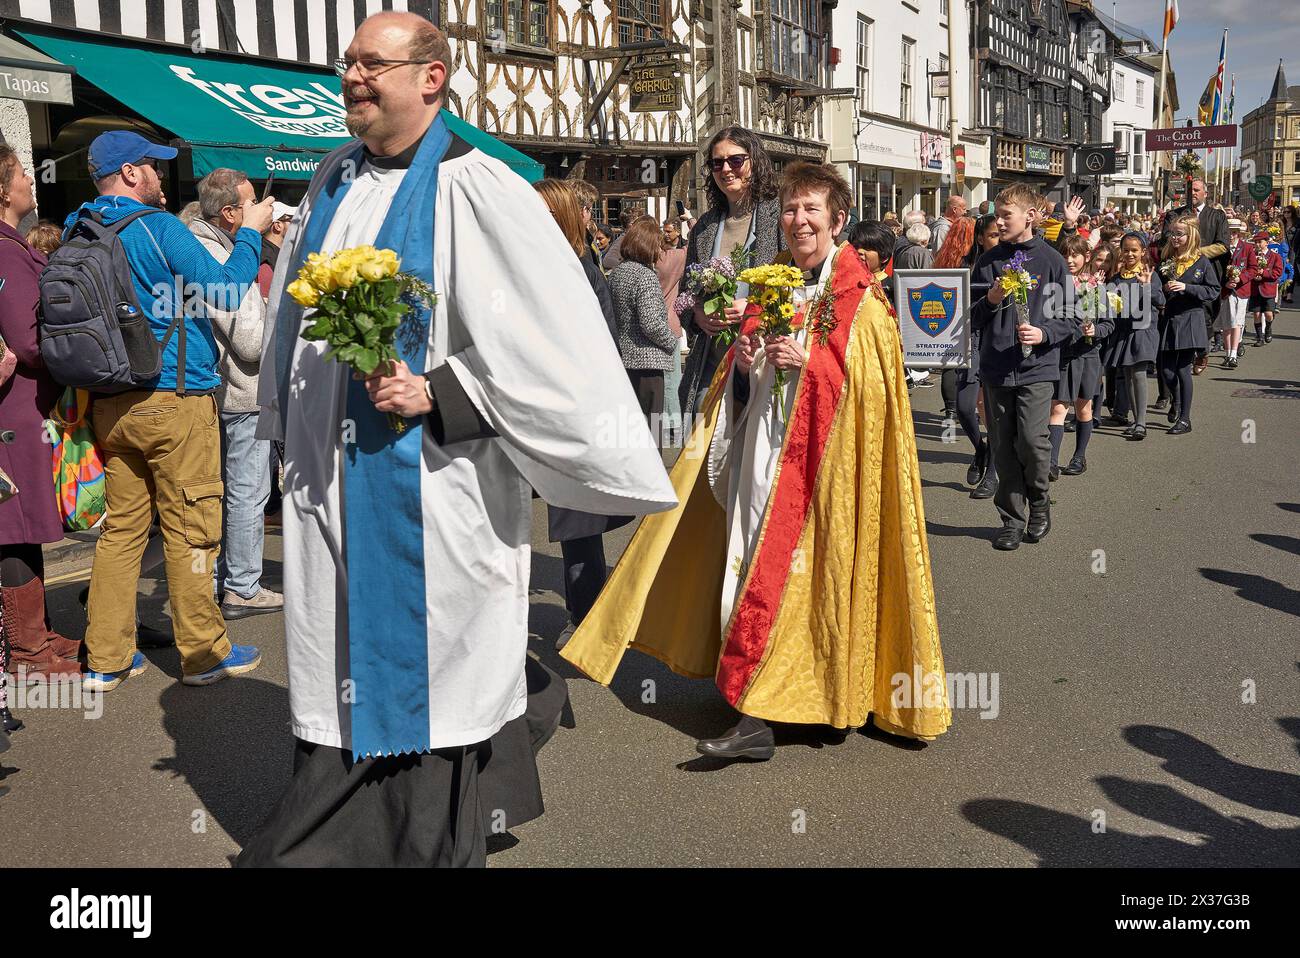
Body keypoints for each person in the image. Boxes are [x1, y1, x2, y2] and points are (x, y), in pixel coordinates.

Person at [239, 10, 674, 867]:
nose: (352, 78)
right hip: (333, 484)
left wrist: (437, 389)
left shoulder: (481, 192)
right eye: (347, 63)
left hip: (437, 486)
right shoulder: (329, 179)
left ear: (431, 78)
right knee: (337, 659)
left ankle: (424, 838)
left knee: (437, 665)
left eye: (372, 64)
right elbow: (290, 319)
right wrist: (285, 430)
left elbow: (553, 353)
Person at [561, 161, 950, 760]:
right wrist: (743, 362)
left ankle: (797, 702)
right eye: (791, 208)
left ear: (838, 220)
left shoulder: (862, 305)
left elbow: (872, 401)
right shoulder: (772, 287)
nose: (799, 221)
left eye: (812, 210)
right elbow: (738, 387)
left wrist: (810, 365)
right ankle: (754, 698)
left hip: (824, 473)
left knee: (810, 580)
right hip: (759, 455)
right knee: (747, 564)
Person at [68, 131, 275, 692]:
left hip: (109, 402)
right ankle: (204, 654)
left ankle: (106, 658)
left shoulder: (77, 227)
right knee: (192, 528)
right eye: (154, 168)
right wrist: (252, 233)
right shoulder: (158, 229)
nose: (163, 178)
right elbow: (229, 291)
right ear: (131, 173)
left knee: (123, 533)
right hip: (174, 398)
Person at [533, 178, 629, 651]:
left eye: (546, 214)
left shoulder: (581, 268)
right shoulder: (533, 263)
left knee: (579, 520)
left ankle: (585, 614)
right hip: (531, 408)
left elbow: (602, 342)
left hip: (573, 408)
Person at [0, 147, 80, 684]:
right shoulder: (5, 252)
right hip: (13, 406)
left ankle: (38, 634)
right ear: (4, 189)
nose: (32, 178)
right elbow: (27, 339)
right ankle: (28, 650)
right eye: (23, 173)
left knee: (21, 525)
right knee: (12, 525)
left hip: (21, 402)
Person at [189, 168, 283, 619]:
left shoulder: (207, 241)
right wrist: (276, 312)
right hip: (240, 395)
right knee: (247, 491)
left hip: (220, 394)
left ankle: (224, 578)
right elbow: (249, 341)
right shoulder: (215, 250)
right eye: (252, 203)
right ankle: (242, 587)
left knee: (228, 491)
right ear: (230, 213)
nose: (264, 209)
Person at [970, 184, 1072, 551]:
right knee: (1003, 447)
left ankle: (1040, 502)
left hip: (1037, 367)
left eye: (1005, 215)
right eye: (996, 215)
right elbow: (972, 317)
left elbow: (1070, 315)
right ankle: (1012, 519)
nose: (998, 222)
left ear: (1030, 216)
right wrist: (992, 299)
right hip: (997, 366)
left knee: (1031, 440)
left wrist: (1045, 332)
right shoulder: (988, 261)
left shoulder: (1052, 261)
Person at [679, 126, 784, 417]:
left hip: (763, 358)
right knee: (707, 450)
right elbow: (686, 292)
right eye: (717, 163)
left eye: (736, 160)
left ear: (755, 162)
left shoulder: (780, 216)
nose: (726, 169)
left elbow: (800, 282)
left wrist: (756, 307)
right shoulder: (704, 226)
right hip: (711, 361)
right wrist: (697, 315)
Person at [1049, 236, 1114, 478]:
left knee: (1083, 408)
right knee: (1058, 407)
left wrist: (1096, 330)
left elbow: (1109, 324)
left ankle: (1079, 457)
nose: (1069, 259)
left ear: (1086, 257)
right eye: (1065, 254)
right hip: (1063, 354)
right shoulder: (1054, 285)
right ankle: (1051, 462)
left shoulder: (1098, 288)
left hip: (1088, 354)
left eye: (1074, 255)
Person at [609, 217, 678, 428]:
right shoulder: (645, 275)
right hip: (648, 362)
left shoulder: (617, 273)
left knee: (632, 428)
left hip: (625, 358)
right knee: (651, 428)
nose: (661, 250)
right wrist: (671, 342)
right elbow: (651, 323)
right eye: (658, 244)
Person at [935, 216, 988, 485]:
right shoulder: (966, 265)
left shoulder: (1013, 264)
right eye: (991, 235)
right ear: (980, 238)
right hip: (969, 341)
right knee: (966, 408)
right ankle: (982, 450)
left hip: (1000, 345)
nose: (997, 240)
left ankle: (993, 472)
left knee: (992, 411)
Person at [1156, 216, 1220, 436]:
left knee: (1183, 369)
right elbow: (1156, 285)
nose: (1174, 238)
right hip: (1169, 319)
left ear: (1190, 235)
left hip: (1190, 319)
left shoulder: (1201, 261)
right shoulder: (1166, 259)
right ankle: (1176, 400)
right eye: (1172, 233)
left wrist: (1186, 287)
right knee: (1165, 371)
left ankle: (1185, 418)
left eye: (1179, 234)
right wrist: (1160, 290)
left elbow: (1212, 291)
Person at [1163, 179, 1229, 376]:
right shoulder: (1175, 214)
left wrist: (1195, 253)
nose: (1193, 193)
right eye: (1190, 189)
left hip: (1205, 272)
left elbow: (1223, 245)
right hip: (1177, 270)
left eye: (1197, 189)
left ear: (1205, 193)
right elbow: (1165, 240)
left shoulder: (1216, 216)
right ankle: (1181, 354)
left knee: (1206, 314)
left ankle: (1202, 350)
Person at [1107, 232, 1163, 441]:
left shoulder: (1149, 273)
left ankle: (1141, 423)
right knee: (1128, 375)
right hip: (1123, 330)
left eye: (1134, 250)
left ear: (1143, 252)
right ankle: (1134, 419)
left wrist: (1147, 286)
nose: (1130, 254)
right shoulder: (1116, 277)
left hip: (1143, 329)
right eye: (1126, 250)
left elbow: (1160, 299)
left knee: (1139, 374)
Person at [1241, 230, 1284, 348]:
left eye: (1260, 242)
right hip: (1255, 288)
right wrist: (1253, 274)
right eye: (1256, 242)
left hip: (1268, 289)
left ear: (1267, 242)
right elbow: (1247, 269)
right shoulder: (1252, 255)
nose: (1258, 244)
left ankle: (1268, 328)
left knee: (1269, 314)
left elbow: (1278, 272)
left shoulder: (1275, 256)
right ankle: (1259, 337)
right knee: (1257, 314)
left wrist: (1264, 273)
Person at [1217, 218, 1250, 367]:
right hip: (1226, 291)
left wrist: (1240, 278)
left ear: (1240, 234)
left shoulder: (1247, 248)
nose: (1232, 236)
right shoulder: (1221, 249)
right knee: (1227, 323)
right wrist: (1225, 282)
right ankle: (1227, 353)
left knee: (1237, 322)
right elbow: (1216, 271)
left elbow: (1253, 269)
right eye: (1229, 233)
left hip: (1242, 291)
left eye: (1235, 233)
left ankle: (1233, 355)